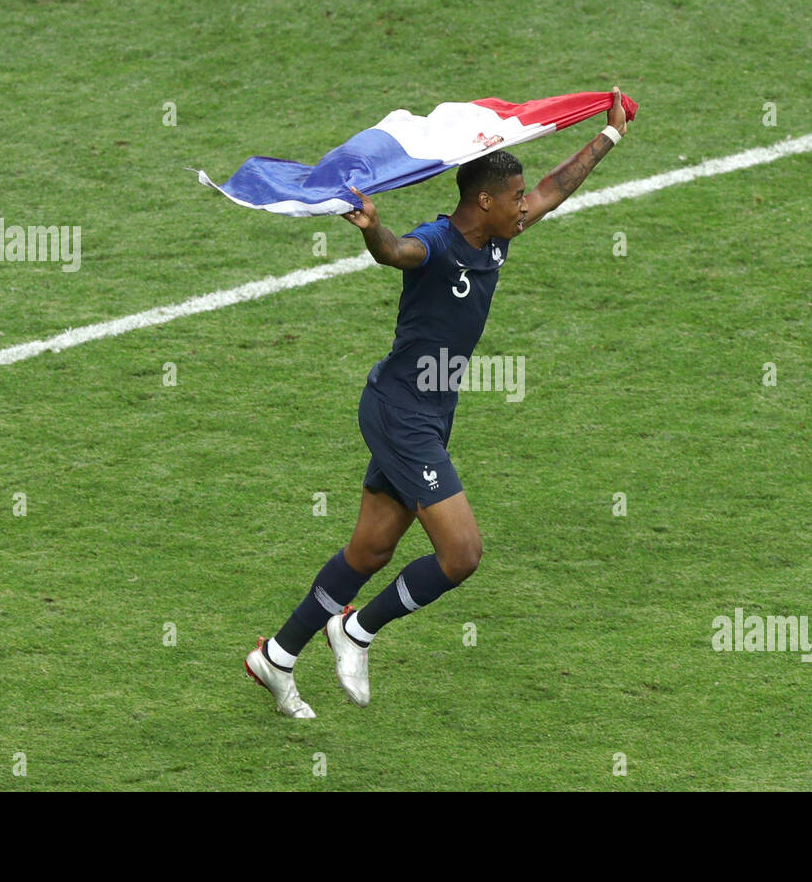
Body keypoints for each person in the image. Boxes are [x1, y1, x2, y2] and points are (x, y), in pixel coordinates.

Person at [246, 87, 632, 717]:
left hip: (425, 410)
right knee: (462, 554)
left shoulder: (496, 237)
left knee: (369, 551)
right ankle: (355, 629)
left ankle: (278, 658)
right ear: (484, 201)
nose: (523, 207)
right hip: (401, 412)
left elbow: (554, 189)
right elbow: (400, 253)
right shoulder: (439, 242)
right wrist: (374, 231)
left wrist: (608, 137)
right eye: (513, 198)